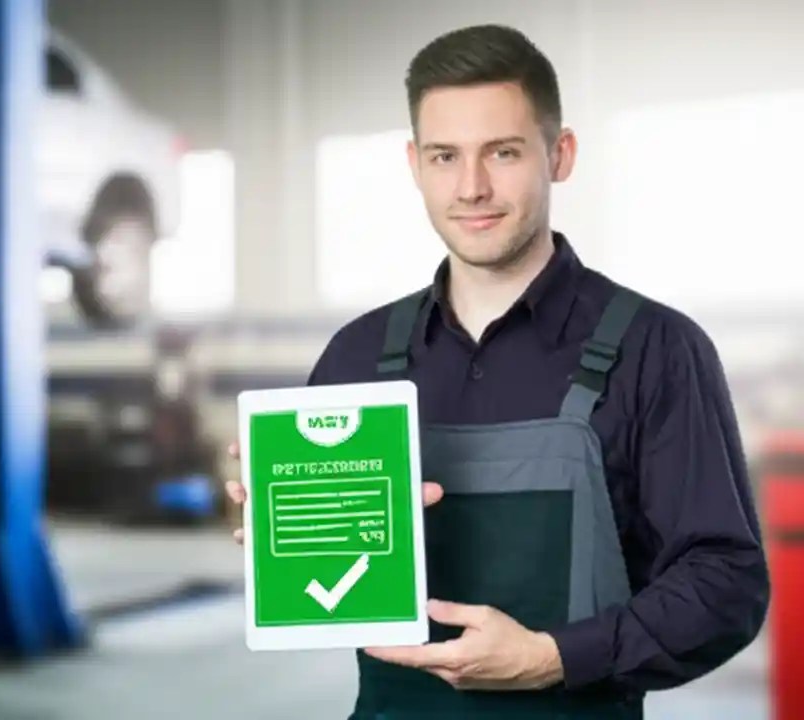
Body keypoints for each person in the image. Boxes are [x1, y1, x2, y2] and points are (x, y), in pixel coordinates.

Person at [225, 23, 769, 719]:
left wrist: (555, 657)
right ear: (414, 163)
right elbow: (327, 583)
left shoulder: (657, 349)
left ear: (560, 154)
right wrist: (282, 529)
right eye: (445, 156)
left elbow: (726, 584)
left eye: (503, 152)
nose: (472, 186)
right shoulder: (356, 359)